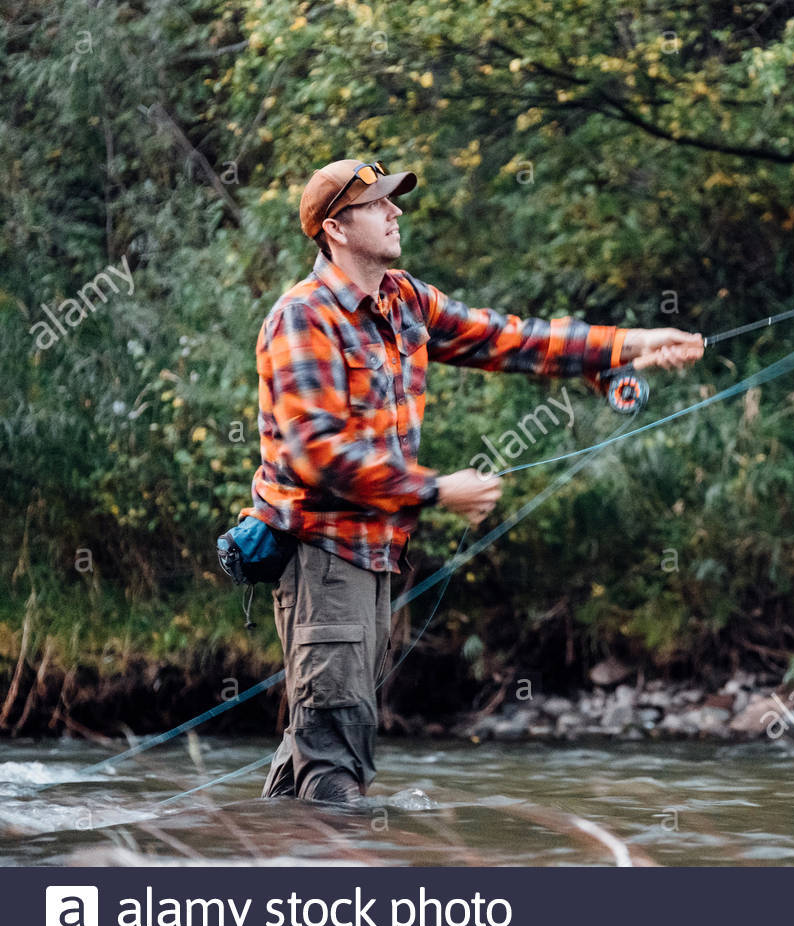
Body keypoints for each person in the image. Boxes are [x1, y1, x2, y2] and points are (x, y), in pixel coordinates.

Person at [241, 159, 703, 802]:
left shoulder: (404, 299)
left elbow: (509, 339)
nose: (395, 212)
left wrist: (627, 346)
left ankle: (265, 856)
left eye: (391, 202)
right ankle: (333, 888)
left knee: (321, 745)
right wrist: (435, 490)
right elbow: (318, 454)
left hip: (373, 556)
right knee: (333, 751)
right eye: (378, 205)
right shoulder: (304, 317)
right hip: (321, 554)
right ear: (336, 229)